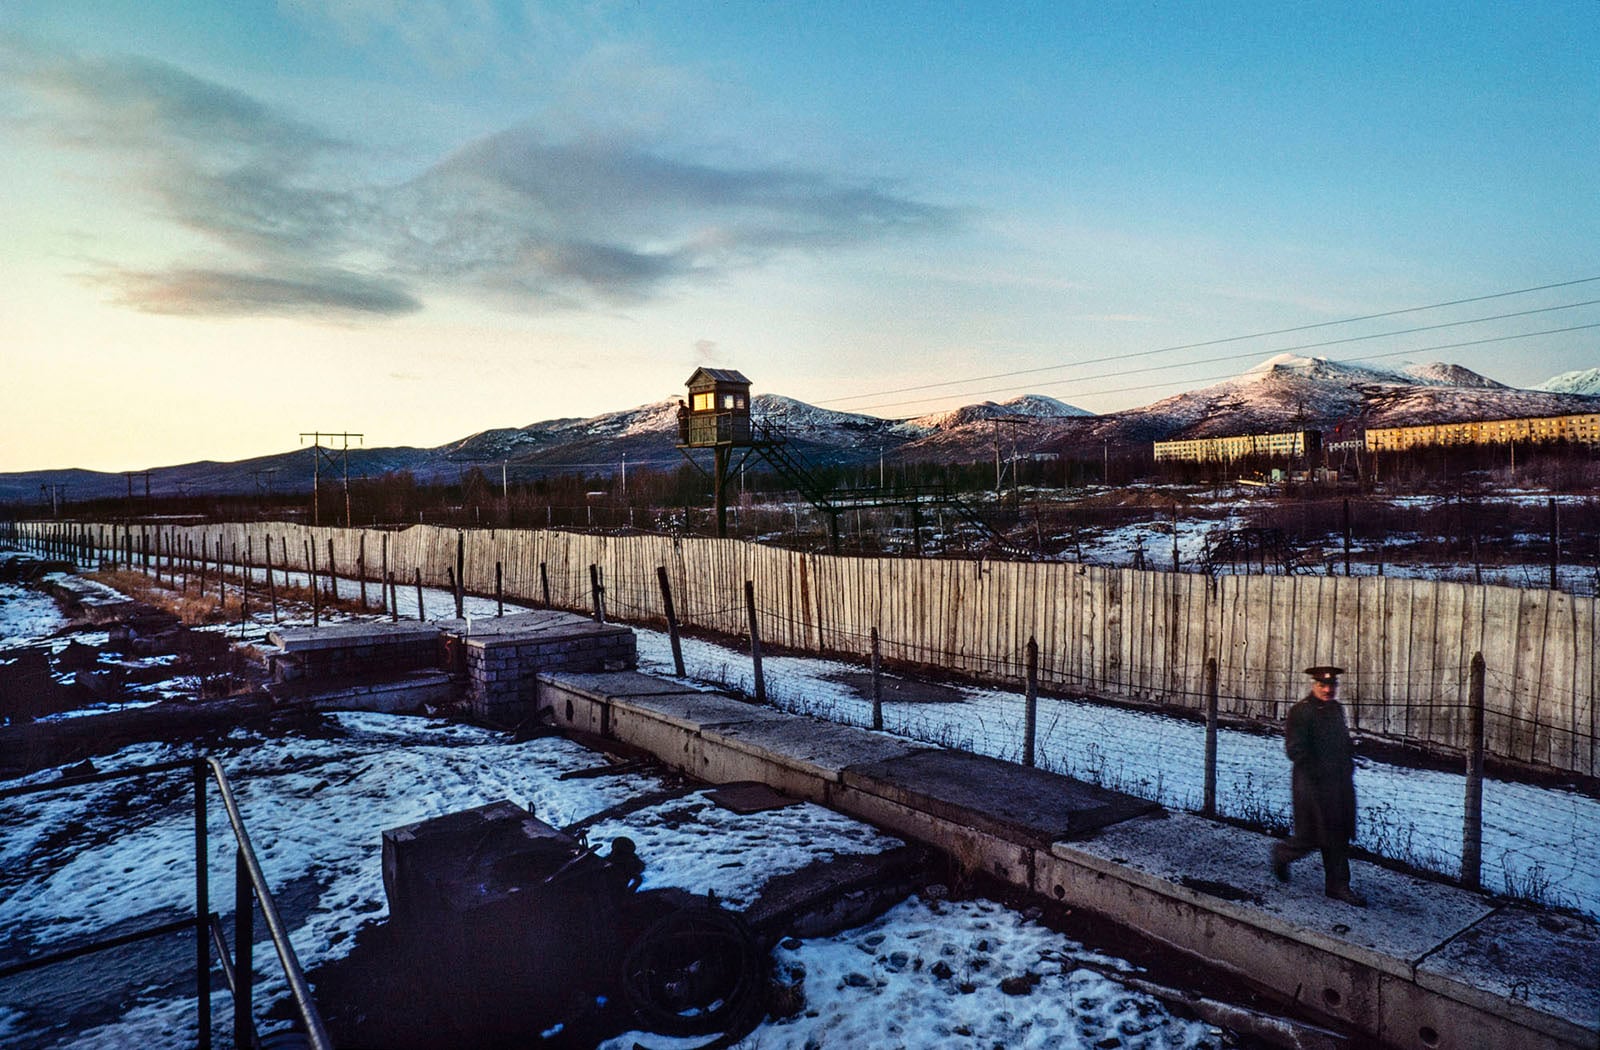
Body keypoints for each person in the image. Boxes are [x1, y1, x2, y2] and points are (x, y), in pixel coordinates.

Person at [1271, 665, 1366, 906]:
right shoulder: (1301, 712)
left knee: (1338, 834)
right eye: (1322, 685)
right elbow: (1295, 750)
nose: (1327, 690)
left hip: (1338, 784)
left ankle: (1338, 886)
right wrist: (1317, 772)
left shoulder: (1336, 710)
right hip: (1311, 785)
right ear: (1313, 685)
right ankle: (1282, 854)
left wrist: (1348, 763)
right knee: (1311, 835)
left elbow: (1342, 742)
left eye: (1332, 685)